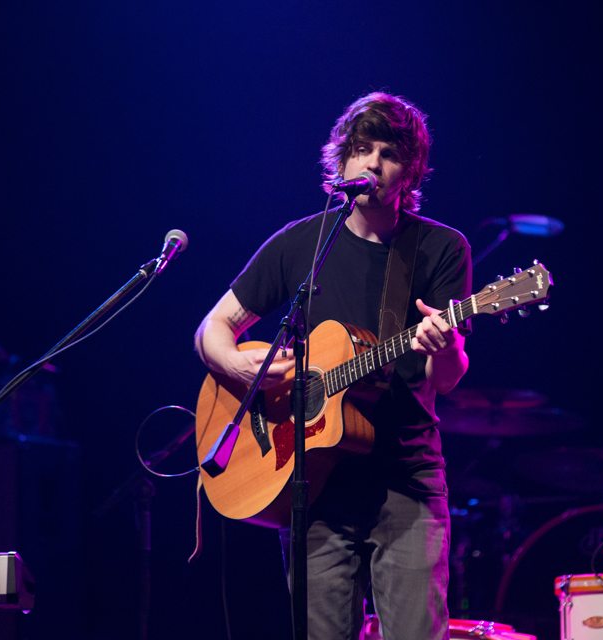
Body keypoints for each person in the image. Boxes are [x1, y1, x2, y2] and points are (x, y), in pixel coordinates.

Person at [194, 92, 472, 640]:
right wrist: (244, 371)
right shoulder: (303, 244)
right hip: (312, 482)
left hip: (406, 477)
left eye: (388, 153)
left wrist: (445, 347)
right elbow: (212, 330)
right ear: (340, 160)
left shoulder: (440, 249)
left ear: (409, 171)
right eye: (361, 149)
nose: (372, 163)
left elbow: (448, 378)